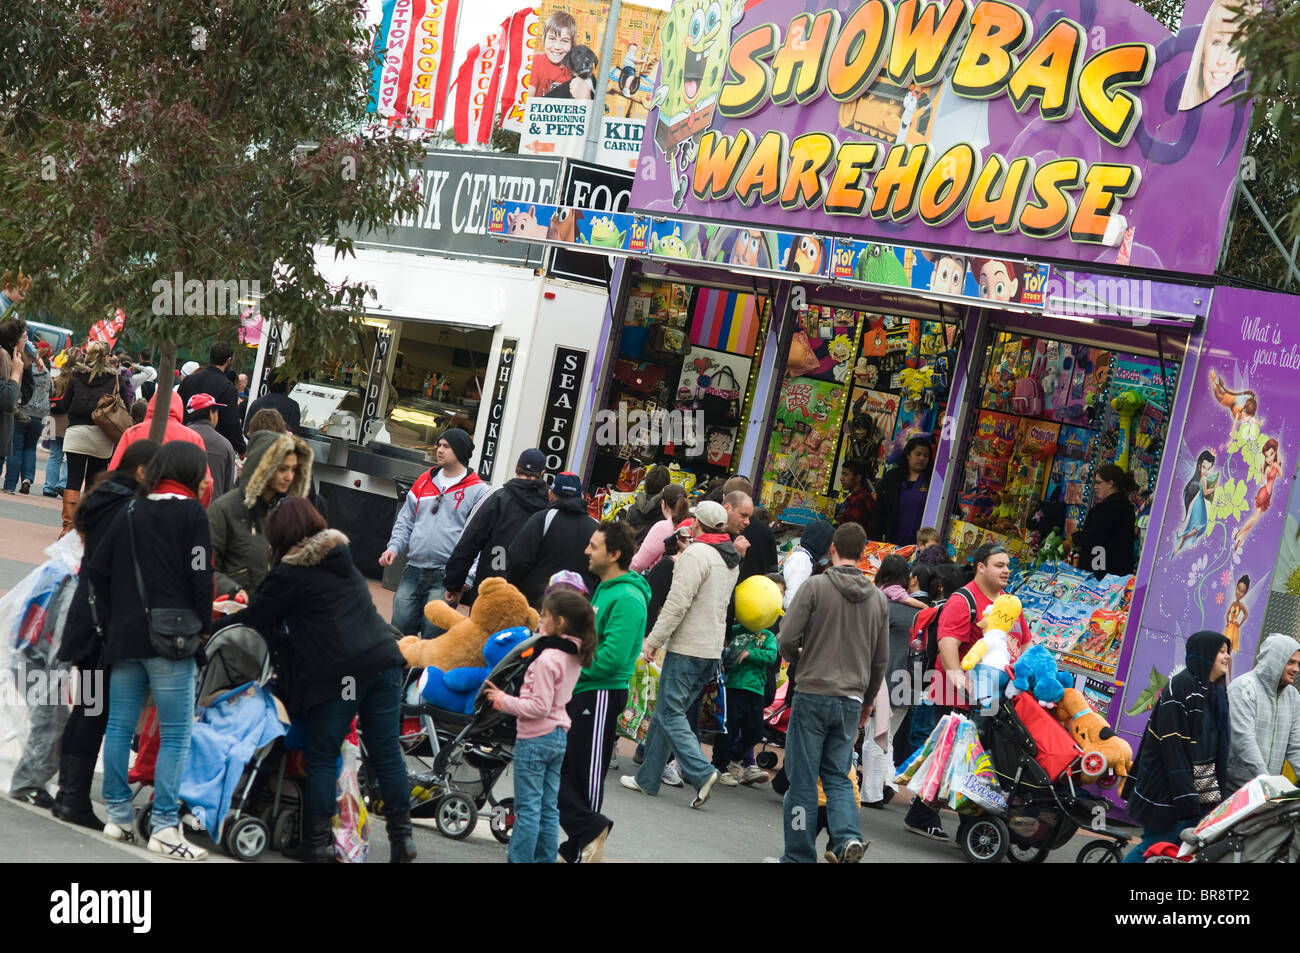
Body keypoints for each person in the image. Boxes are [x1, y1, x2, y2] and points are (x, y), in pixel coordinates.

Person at [217, 497, 413, 862]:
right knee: (386, 754)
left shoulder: (290, 573)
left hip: (343, 673)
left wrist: (211, 629)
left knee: (321, 755)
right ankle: (403, 842)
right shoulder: (342, 559)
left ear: (281, 534)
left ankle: (315, 843)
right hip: (385, 659)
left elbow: (255, 619)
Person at [84, 442, 213, 859]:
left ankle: (118, 815)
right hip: (172, 639)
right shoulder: (193, 514)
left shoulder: (130, 510)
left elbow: (97, 569)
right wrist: (201, 626)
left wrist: (113, 616)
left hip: (125, 637)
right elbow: (200, 575)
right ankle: (164, 825)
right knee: (176, 733)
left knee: (119, 727)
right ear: (191, 473)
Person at [49, 440, 161, 828]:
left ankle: (69, 794)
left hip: (91, 617)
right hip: (102, 623)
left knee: (88, 708)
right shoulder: (126, 505)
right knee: (94, 710)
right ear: (143, 471)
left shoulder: (106, 496)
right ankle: (73, 797)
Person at [777, 522, 888, 863]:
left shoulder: (815, 588)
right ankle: (847, 839)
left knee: (802, 780)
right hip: (852, 699)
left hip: (812, 691)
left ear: (832, 550)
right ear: (865, 552)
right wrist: (868, 701)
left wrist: (801, 659)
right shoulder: (879, 600)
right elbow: (880, 661)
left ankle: (798, 854)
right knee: (839, 777)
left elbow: (786, 639)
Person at [903, 543, 1029, 840]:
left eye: (1008, 566)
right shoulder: (965, 599)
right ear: (981, 567)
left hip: (995, 696)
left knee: (975, 760)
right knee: (951, 756)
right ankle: (924, 815)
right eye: (999, 565)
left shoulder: (1010, 603)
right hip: (956, 694)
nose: (1006, 570)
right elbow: (948, 643)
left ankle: (968, 825)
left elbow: (1024, 642)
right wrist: (958, 676)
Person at [621, 500, 741, 807]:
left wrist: (654, 640)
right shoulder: (730, 559)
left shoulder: (696, 554)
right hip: (711, 648)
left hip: (687, 645)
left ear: (697, 523)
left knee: (670, 712)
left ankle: (701, 771)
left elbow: (677, 603)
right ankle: (648, 778)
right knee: (668, 711)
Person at [558, 522, 650, 863]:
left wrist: (571, 667)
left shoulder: (627, 597)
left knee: (585, 774)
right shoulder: (605, 589)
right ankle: (581, 838)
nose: (587, 551)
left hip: (599, 695)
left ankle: (588, 835)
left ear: (614, 554)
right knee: (563, 768)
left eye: (593, 546)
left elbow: (611, 657)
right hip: (583, 691)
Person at [486, 589, 593, 864]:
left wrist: (502, 700)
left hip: (535, 737)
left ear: (560, 622)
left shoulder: (547, 659)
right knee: (547, 808)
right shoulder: (573, 655)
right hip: (558, 736)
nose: (540, 621)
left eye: (544, 616)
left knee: (528, 808)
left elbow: (537, 707)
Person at [1123, 631, 1232, 862]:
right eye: (1221, 651)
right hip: (1169, 791)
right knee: (1153, 848)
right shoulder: (1180, 686)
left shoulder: (1218, 693)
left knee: (1181, 854)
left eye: (1227, 651)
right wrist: (1186, 796)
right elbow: (1173, 748)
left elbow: (1220, 748)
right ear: (1205, 655)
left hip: (1203, 793)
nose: (1227, 657)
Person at [380, 428, 489, 637]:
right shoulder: (423, 481)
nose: (439, 450)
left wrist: (468, 576)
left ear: (460, 451)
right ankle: (400, 671)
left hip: (447, 576)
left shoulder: (478, 490)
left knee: (434, 640)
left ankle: (424, 673)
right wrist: (393, 547)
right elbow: (405, 520)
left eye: (446, 447)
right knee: (399, 634)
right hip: (412, 570)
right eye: (439, 445)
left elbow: (480, 539)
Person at [208, 429, 313, 601]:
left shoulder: (284, 513)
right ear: (263, 468)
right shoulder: (223, 510)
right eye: (282, 469)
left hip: (269, 617)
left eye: (294, 469)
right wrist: (233, 590)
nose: (289, 477)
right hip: (231, 616)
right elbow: (200, 565)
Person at [443, 448, 551, 606]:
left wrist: (454, 583)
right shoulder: (549, 506)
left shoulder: (498, 496)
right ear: (542, 472)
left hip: (490, 585)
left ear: (516, 467)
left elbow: (469, 541)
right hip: (527, 597)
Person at [507, 472, 599, 608]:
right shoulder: (596, 528)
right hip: (578, 610)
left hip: (538, 605)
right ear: (581, 496)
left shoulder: (542, 519)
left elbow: (518, 558)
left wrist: (513, 588)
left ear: (551, 494)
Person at [56, 341, 121, 534]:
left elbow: (65, 405)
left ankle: (67, 527)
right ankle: (85, 528)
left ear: (88, 355)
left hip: (76, 433)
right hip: (102, 435)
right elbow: (123, 403)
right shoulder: (114, 379)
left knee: (73, 480)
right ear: (106, 356)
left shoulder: (76, 375)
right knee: (93, 483)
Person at [107, 391, 214, 505]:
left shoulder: (132, 433)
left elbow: (113, 473)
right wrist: (197, 510)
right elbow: (206, 484)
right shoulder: (193, 437)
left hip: (135, 507)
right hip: (178, 509)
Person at [1226, 634, 1300, 790]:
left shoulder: (1293, 696)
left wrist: (1267, 785)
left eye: (1298, 663)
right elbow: (1243, 739)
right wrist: (1265, 779)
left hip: (1265, 791)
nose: (1296, 669)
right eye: (1291, 662)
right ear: (1274, 660)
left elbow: (1296, 746)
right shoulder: (1243, 687)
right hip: (1235, 789)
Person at [712, 615, 778, 787]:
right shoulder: (735, 630)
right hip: (733, 686)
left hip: (756, 689)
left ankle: (735, 756)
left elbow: (772, 655)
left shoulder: (767, 635)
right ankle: (719, 765)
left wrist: (750, 653)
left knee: (755, 732)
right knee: (728, 730)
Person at [177, 342, 246, 454]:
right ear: (228, 360)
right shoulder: (228, 388)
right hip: (210, 449)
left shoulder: (189, 380)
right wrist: (241, 448)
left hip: (183, 440)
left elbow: (177, 408)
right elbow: (231, 422)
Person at [1071, 463, 1137, 578]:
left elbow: (1093, 540)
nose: (1095, 487)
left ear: (1110, 483)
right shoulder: (1127, 507)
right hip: (1117, 575)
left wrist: (1076, 537)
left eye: (1098, 482)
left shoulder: (1107, 509)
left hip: (1100, 574)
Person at [2, 336, 49, 494]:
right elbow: (53, 390)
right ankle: (28, 478)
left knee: (15, 448)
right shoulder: (45, 370)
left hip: (21, 410)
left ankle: (9, 485)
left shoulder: (20, 367)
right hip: (39, 414)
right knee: (30, 447)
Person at [871, 436, 933, 546]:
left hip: (920, 547)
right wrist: (877, 542)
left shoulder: (932, 481)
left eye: (926, 455)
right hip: (891, 543)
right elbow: (879, 512)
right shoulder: (892, 478)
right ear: (908, 455)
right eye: (918, 454)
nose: (922, 458)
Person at [184, 393, 236, 500]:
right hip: (213, 511)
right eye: (216, 412)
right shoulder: (225, 445)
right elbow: (228, 489)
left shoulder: (180, 436)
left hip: (180, 508)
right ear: (211, 414)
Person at [629, 482, 689, 574]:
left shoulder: (663, 527)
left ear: (663, 503)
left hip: (662, 583)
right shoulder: (692, 525)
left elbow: (638, 564)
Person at [781, 520, 834, 609]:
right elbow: (791, 602)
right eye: (830, 543)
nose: (831, 549)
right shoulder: (801, 560)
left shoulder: (806, 556)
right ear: (822, 542)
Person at [43, 350, 70, 498]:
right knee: (69, 457)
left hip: (53, 420)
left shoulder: (56, 380)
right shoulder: (75, 383)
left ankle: (49, 486)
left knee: (54, 455)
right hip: (68, 422)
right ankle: (62, 484)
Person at [623, 465, 671, 541]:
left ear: (645, 484)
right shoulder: (667, 515)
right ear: (666, 487)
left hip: (632, 551)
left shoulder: (632, 510)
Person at [0, 317, 24, 465]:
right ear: (13, 343)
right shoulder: (2, 358)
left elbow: (23, 395)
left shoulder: (12, 361)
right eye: (24, 338)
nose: (27, 342)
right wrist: (15, 373)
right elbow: (9, 400)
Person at [836, 458, 875, 529]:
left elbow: (851, 531)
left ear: (858, 478)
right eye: (842, 474)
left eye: (846, 475)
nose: (841, 478)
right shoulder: (856, 497)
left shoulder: (860, 500)